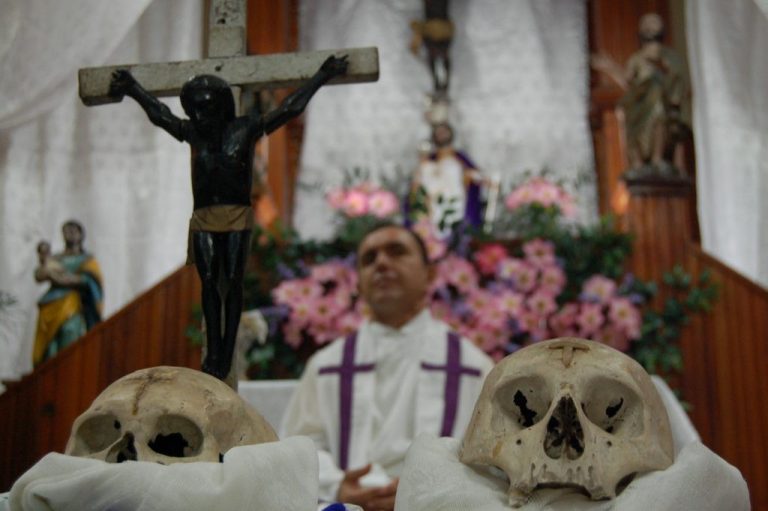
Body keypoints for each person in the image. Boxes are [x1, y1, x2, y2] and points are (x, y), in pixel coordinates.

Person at [108, 55, 348, 380]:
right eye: (195, 109)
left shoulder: (245, 127)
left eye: (206, 108)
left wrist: (322, 74)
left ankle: (226, 347)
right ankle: (215, 351)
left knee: (232, 282)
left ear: (222, 106)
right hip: (204, 218)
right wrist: (134, 89)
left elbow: (289, 109)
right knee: (208, 282)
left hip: (236, 216)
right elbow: (161, 116)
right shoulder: (194, 131)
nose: (200, 115)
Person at [281, 222, 494, 509]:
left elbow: (493, 460)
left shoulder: (474, 368)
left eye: (396, 252)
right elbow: (300, 449)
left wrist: (426, 494)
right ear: (359, 284)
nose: (381, 262)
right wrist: (339, 487)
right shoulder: (325, 367)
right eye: (369, 259)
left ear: (429, 274)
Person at [591, 13, 689, 176]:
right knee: (636, 112)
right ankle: (640, 161)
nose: (651, 28)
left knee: (661, 110)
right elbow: (628, 81)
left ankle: (658, 158)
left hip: (665, 103)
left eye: (654, 24)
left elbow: (677, 83)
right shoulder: (637, 59)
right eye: (647, 25)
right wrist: (609, 67)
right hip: (642, 104)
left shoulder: (671, 58)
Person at [33, 220, 103, 366]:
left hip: (71, 304)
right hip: (50, 304)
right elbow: (39, 274)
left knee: (69, 335)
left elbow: (90, 280)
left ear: (80, 234)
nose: (69, 234)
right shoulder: (56, 258)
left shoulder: (87, 260)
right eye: (66, 231)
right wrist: (48, 271)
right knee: (49, 347)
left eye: (73, 230)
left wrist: (62, 278)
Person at [411, 122, 484, 234]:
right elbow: (419, 183)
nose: (441, 135)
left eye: (444, 132)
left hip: (455, 202)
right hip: (433, 204)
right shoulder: (429, 160)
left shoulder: (459, 158)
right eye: (438, 133)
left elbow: (475, 175)